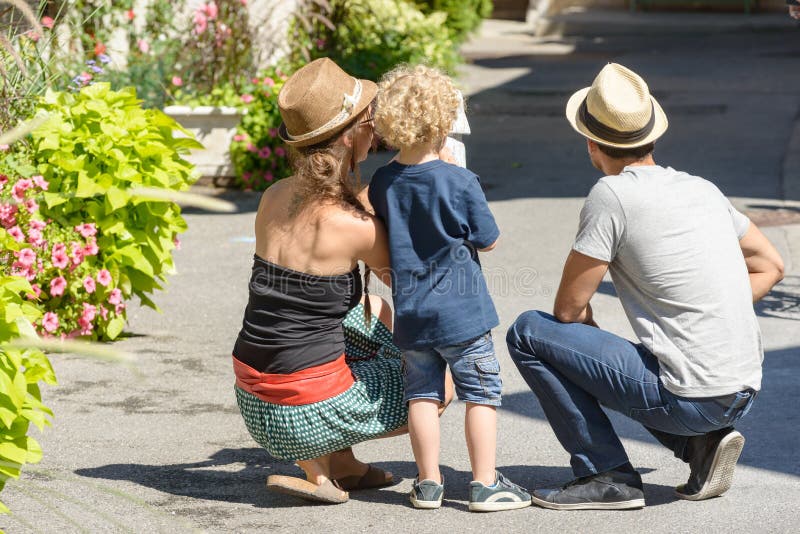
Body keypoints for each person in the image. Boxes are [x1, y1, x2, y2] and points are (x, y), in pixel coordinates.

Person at [506, 63, 784, 510]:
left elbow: (567, 310)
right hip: (742, 390)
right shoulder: (702, 188)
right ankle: (700, 445)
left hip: (691, 397)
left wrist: (588, 348)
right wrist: (712, 305)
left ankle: (607, 474)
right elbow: (770, 265)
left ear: (591, 142)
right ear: (652, 134)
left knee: (528, 332)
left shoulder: (611, 195)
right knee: (646, 359)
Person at [231, 58, 434, 505]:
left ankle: (338, 465)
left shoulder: (273, 195)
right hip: (302, 410)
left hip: (255, 399)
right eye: (368, 119)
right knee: (438, 379)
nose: (375, 128)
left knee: (372, 311)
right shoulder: (354, 227)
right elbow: (412, 281)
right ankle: (319, 459)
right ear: (348, 134)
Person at [368, 65, 531, 512]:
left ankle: (427, 484)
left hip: (412, 315)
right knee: (481, 395)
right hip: (464, 315)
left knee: (422, 395)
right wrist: (458, 178)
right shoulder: (459, 180)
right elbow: (488, 239)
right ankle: (484, 483)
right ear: (445, 121)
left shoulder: (382, 182)